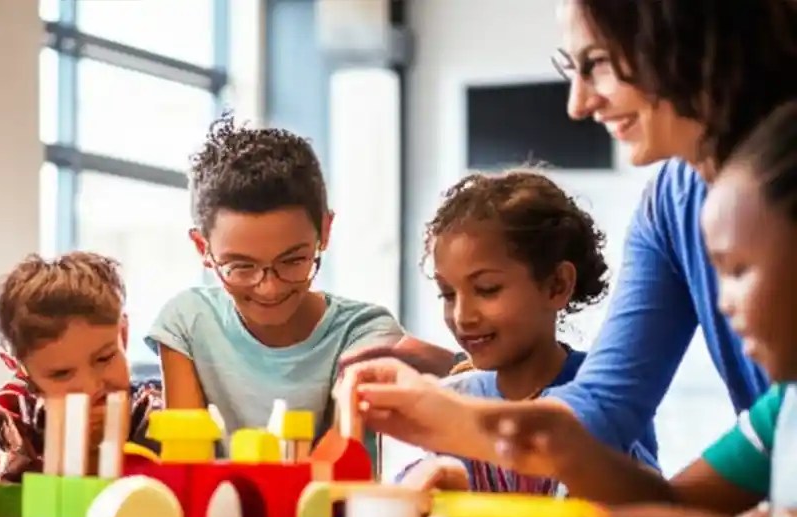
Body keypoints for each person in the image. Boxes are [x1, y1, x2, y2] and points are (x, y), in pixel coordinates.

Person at [339, 0, 797, 466]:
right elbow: (602, 408)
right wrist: (439, 408)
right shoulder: (669, 202)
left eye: (597, 63)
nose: (578, 104)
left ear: (689, 37)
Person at [456, 101, 797, 517]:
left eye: (739, 271)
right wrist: (570, 454)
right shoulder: (781, 413)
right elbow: (672, 507)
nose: (722, 304)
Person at [398, 170, 658, 517]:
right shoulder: (455, 399)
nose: (462, 316)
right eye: (448, 294)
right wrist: (416, 493)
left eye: (487, 289)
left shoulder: (609, 399)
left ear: (557, 285)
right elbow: (417, 511)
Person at [147, 115, 455, 443]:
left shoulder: (359, 332)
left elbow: (341, 461)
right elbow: (186, 455)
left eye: (293, 260)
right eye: (241, 267)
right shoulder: (188, 322)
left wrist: (453, 366)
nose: (270, 288)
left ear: (325, 231)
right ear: (203, 248)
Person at [0, 252, 162, 483]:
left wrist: (110, 446)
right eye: (61, 374)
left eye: (104, 358)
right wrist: (75, 450)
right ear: (21, 371)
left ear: (123, 334)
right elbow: (22, 493)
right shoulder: (18, 409)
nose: (90, 388)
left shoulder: (154, 413)